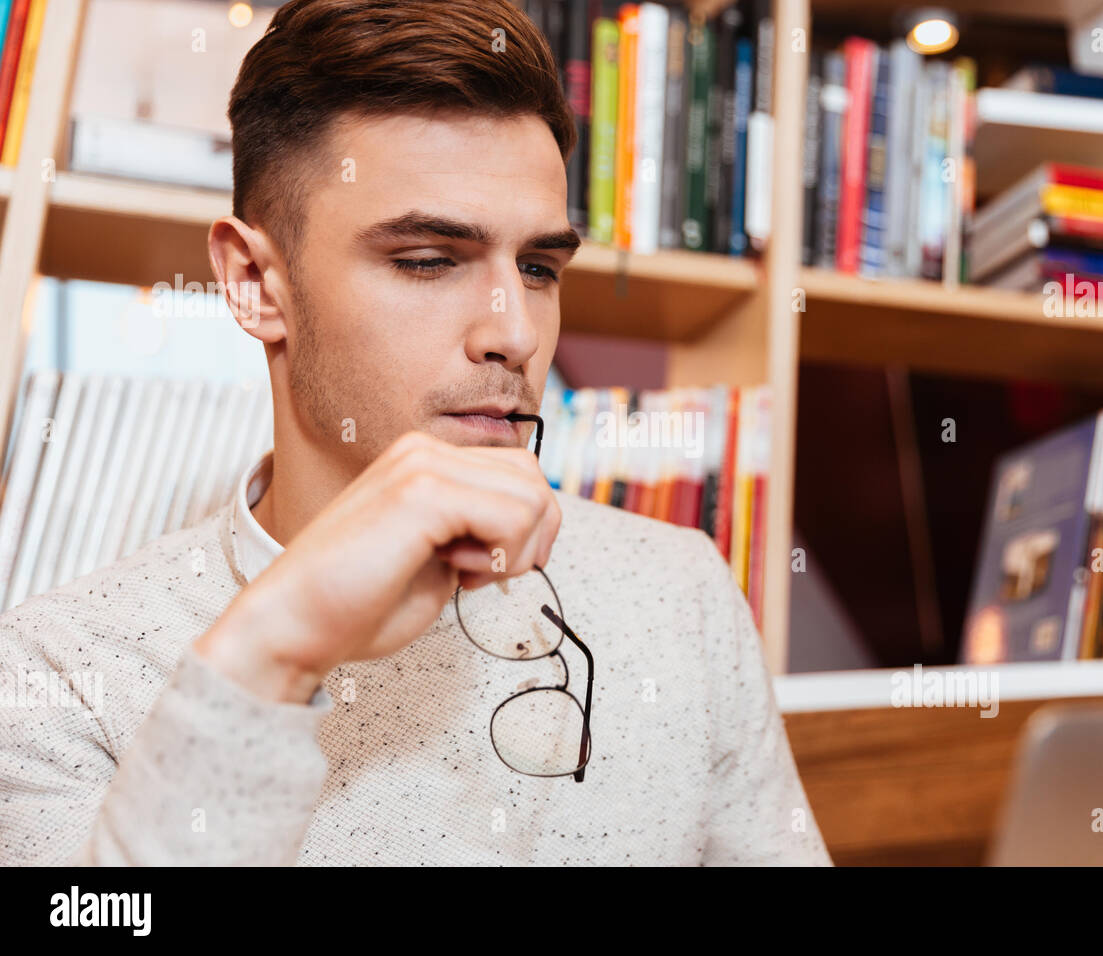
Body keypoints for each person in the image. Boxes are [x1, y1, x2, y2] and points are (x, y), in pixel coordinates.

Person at [0, 0, 831, 866]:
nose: (513, 333)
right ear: (253, 282)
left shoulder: (682, 596)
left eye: (539, 267)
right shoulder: (57, 674)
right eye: (429, 261)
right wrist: (275, 650)